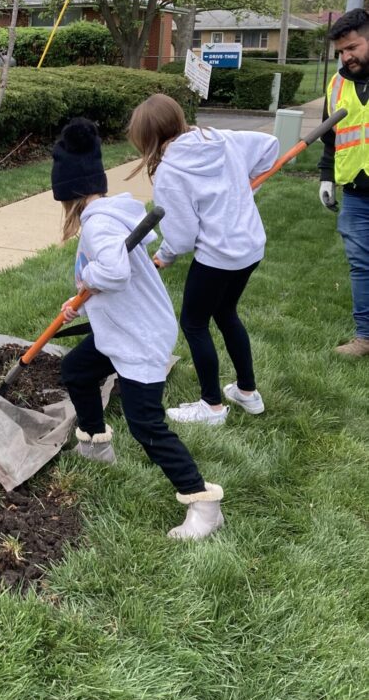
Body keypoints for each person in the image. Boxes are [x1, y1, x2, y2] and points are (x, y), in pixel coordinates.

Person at [53, 118, 225, 541]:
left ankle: (203, 502)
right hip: (119, 330)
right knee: (76, 371)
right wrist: (80, 296)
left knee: (146, 424)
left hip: (139, 337)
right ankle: (96, 444)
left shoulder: (97, 224)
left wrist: (90, 278)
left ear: (67, 194)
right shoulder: (110, 213)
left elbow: (111, 271)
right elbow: (105, 276)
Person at [127, 94, 279, 424]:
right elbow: (270, 146)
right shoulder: (221, 138)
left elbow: (181, 236)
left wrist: (164, 256)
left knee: (194, 323)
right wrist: (242, 189)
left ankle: (212, 406)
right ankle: (247, 392)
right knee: (225, 312)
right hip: (250, 248)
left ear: (147, 139)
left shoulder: (170, 172)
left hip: (218, 256)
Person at [318, 8, 369, 357]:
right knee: (360, 265)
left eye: (352, 47)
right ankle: (365, 337)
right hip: (356, 194)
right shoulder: (336, 84)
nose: (346, 56)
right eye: (341, 51)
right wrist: (326, 178)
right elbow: (330, 138)